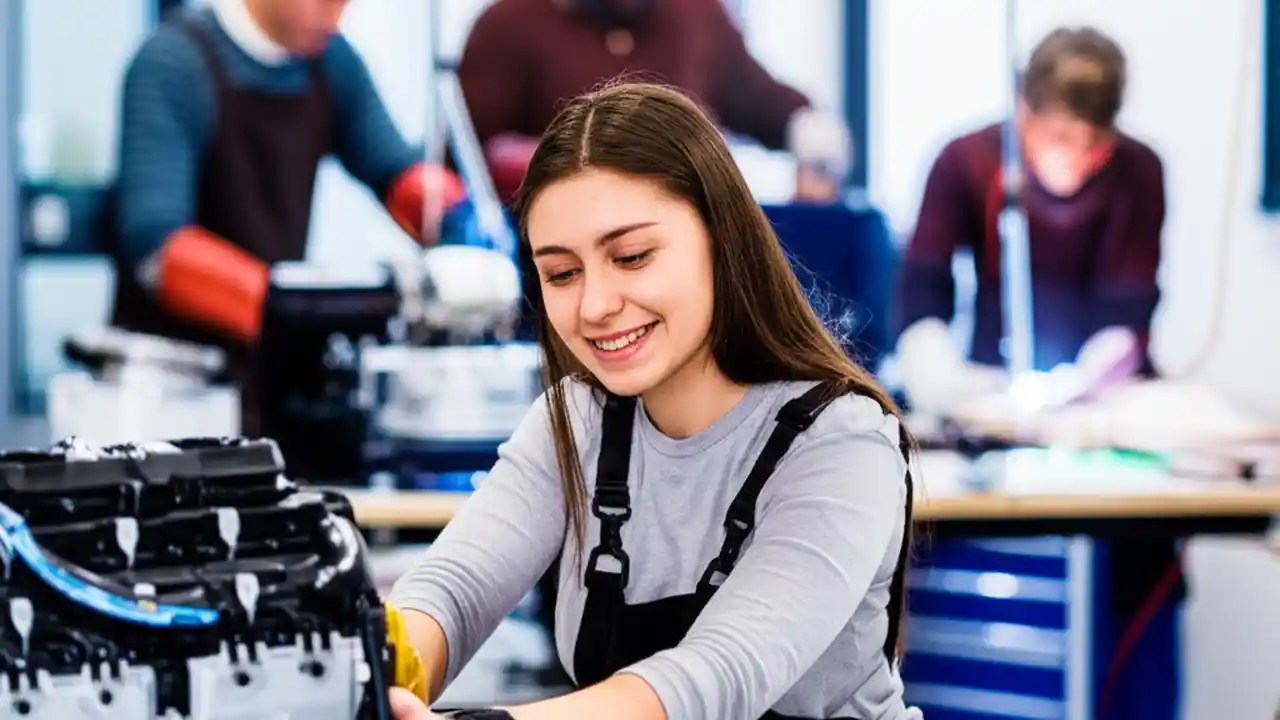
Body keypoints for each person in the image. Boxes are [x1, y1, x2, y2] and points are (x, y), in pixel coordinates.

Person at [381, 82, 918, 719]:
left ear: (721, 239)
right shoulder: (577, 422)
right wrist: (377, 675)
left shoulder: (842, 443)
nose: (595, 306)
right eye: (561, 273)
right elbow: (455, 591)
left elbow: (714, 680)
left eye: (632, 257)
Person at [109, 0, 466, 431]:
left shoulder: (331, 60)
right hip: (175, 388)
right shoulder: (172, 63)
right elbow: (157, 247)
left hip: (269, 375)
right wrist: (291, 310)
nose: (337, 18)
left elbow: (393, 169)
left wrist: (457, 218)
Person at [894, 26, 1165, 416]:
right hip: (991, 388)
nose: (1077, 158)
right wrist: (931, 365)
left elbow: (1130, 300)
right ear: (1024, 110)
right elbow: (924, 281)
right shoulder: (966, 161)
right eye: (1059, 137)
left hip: (1101, 401)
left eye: (1094, 145)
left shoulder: (1138, 171)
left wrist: (1092, 373)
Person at [458, 0, 853, 204]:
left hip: (685, 248)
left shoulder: (695, 15)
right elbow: (463, 160)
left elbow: (762, 101)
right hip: (559, 257)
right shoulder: (509, 25)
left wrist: (814, 141)